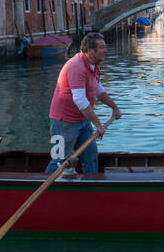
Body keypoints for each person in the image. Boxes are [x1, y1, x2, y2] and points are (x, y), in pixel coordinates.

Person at [46, 32, 122, 174]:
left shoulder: (93, 65)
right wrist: (98, 125)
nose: (105, 50)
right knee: (59, 161)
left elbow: (98, 90)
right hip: (62, 122)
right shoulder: (77, 67)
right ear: (90, 51)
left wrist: (114, 107)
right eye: (102, 48)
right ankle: (47, 191)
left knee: (91, 155)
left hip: (82, 120)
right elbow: (80, 100)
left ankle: (91, 186)